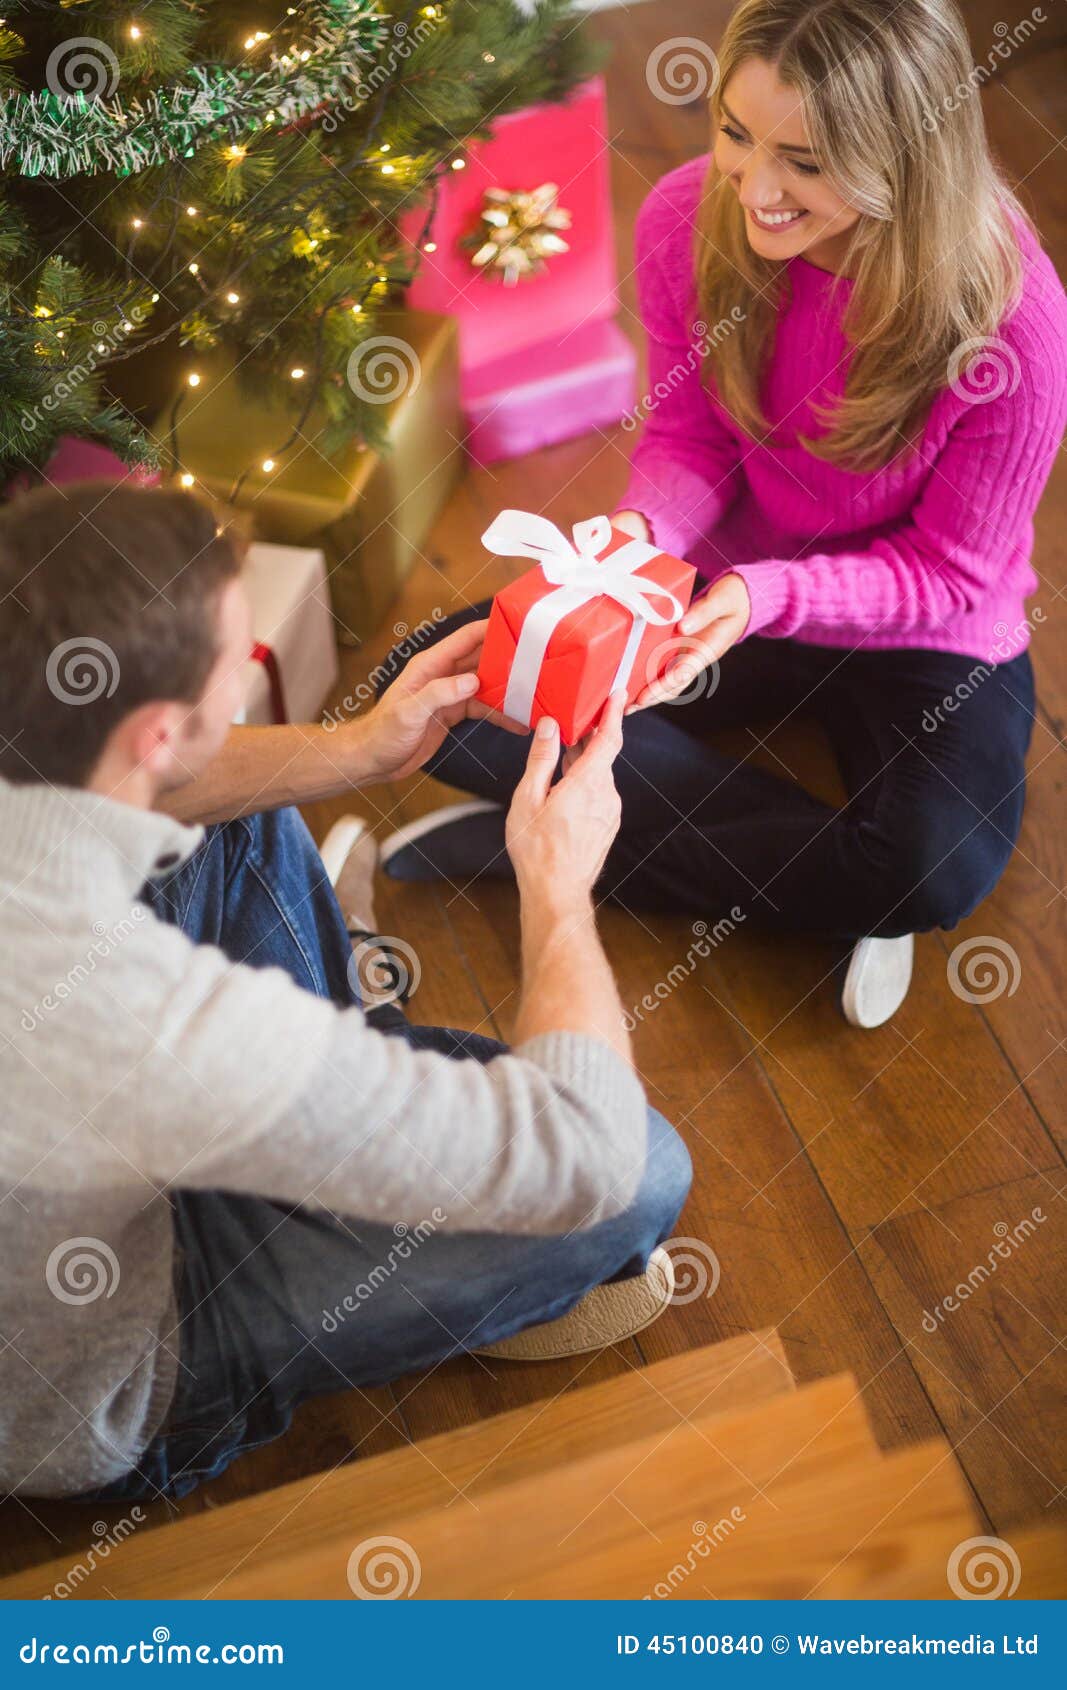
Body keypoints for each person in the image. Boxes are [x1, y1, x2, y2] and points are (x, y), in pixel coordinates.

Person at [377, 0, 1067, 1029]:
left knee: (927, 869)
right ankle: (793, 876)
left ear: (901, 161)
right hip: (727, 584)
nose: (753, 186)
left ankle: (562, 848)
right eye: (735, 133)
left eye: (804, 161)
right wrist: (641, 538)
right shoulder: (684, 220)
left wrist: (762, 595)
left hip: (919, 628)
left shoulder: (1012, 322)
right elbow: (690, 440)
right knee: (430, 683)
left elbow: (951, 574)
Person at [0, 481, 691, 1502]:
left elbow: (168, 780)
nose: (247, 673)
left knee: (240, 813)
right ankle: (345, 1081)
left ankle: (340, 1074)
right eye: (233, 668)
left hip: (76, 1162)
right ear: (155, 730)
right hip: (92, 1380)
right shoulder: (127, 1010)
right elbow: (587, 1152)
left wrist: (355, 747)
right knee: (645, 1172)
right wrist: (556, 882)